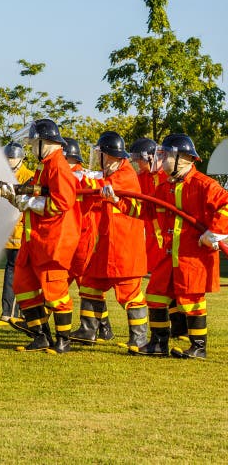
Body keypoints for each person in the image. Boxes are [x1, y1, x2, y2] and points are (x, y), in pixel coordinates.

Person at [126, 134, 228, 358]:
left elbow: (225, 205)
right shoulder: (165, 186)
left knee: (192, 301)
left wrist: (215, 232)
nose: (162, 160)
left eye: (166, 155)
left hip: (193, 255)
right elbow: (147, 210)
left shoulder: (204, 184)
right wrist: (117, 201)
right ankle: (158, 344)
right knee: (155, 295)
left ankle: (198, 347)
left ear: (182, 158)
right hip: (169, 256)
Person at [0, 119, 80, 353]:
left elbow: (63, 202)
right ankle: (40, 336)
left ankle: (64, 341)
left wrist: (29, 202)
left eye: (34, 143)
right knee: (23, 286)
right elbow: (31, 193)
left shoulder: (58, 166)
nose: (32, 147)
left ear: (46, 143)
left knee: (55, 294)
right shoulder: (44, 166)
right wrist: (12, 194)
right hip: (33, 241)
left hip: (52, 241)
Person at [71, 131, 148, 349]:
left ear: (109, 155)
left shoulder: (124, 174)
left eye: (100, 154)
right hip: (107, 245)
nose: (98, 159)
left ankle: (139, 338)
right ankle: (88, 331)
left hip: (124, 247)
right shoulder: (114, 172)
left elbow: (100, 185)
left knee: (130, 294)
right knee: (90, 285)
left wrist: (77, 177)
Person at [129, 138, 187, 340]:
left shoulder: (169, 176)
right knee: (164, 287)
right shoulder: (141, 177)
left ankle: (180, 329)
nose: (138, 164)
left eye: (140, 160)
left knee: (171, 286)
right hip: (153, 240)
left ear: (153, 157)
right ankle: (177, 330)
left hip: (170, 238)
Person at [63, 138, 114, 342]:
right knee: (82, 284)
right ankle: (103, 327)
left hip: (85, 234)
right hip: (76, 234)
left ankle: (99, 327)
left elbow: (90, 183)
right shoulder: (73, 174)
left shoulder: (81, 176)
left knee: (87, 284)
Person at [0, 142, 34, 327]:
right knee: (10, 272)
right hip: (8, 234)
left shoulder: (29, 176)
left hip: (22, 232)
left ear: (21, 158)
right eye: (7, 158)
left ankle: (16, 313)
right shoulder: (2, 177)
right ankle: (6, 312)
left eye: (13, 158)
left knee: (18, 274)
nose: (10, 161)